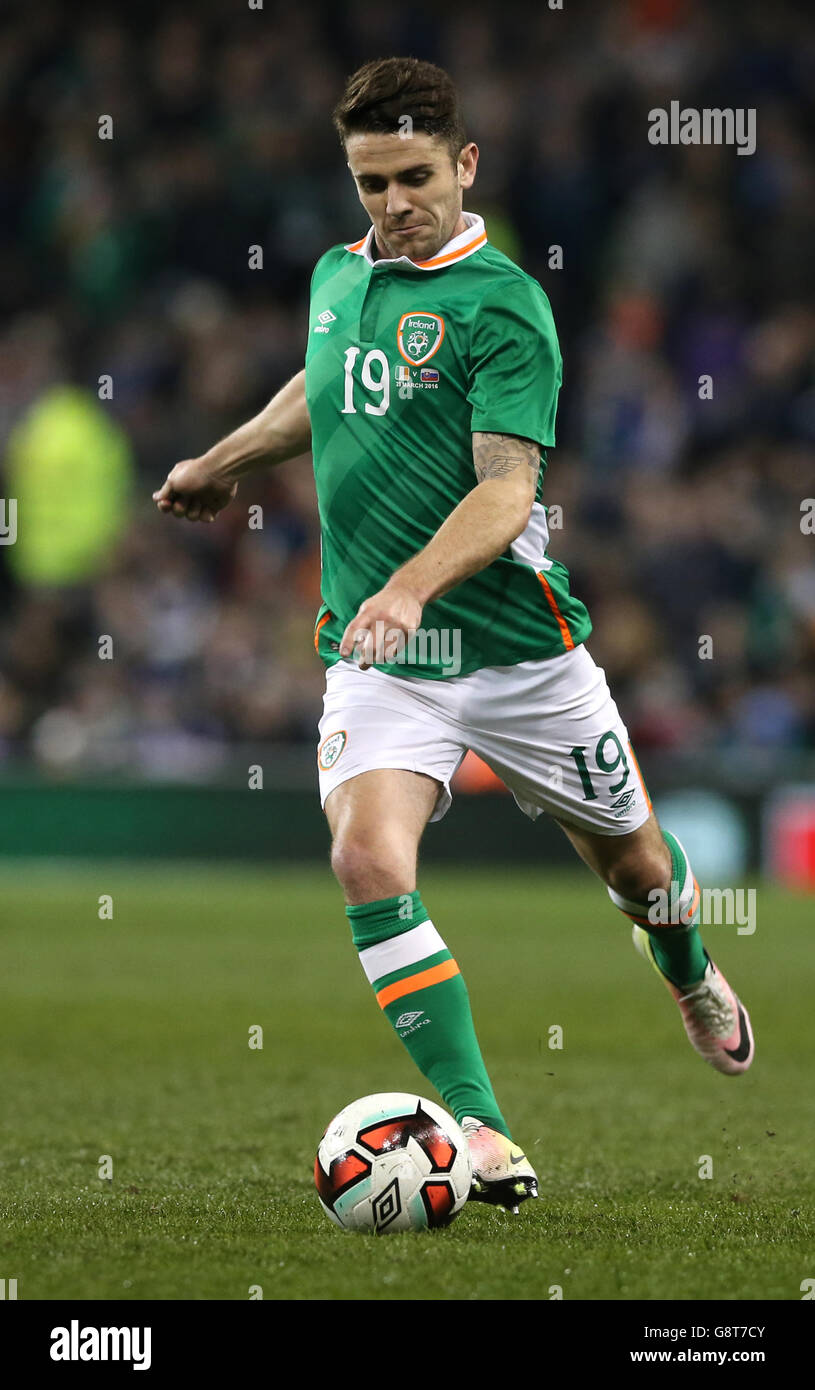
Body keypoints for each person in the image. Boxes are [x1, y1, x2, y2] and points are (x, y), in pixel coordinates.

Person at [154, 57, 754, 1213]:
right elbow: (322, 384)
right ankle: (477, 1126)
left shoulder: (504, 306)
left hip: (522, 658)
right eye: (370, 182)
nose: (392, 204)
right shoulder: (337, 276)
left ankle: (683, 967)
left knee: (634, 866)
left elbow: (505, 492)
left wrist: (413, 585)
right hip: (383, 662)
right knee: (365, 859)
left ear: (464, 164)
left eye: (414, 176)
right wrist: (219, 464)